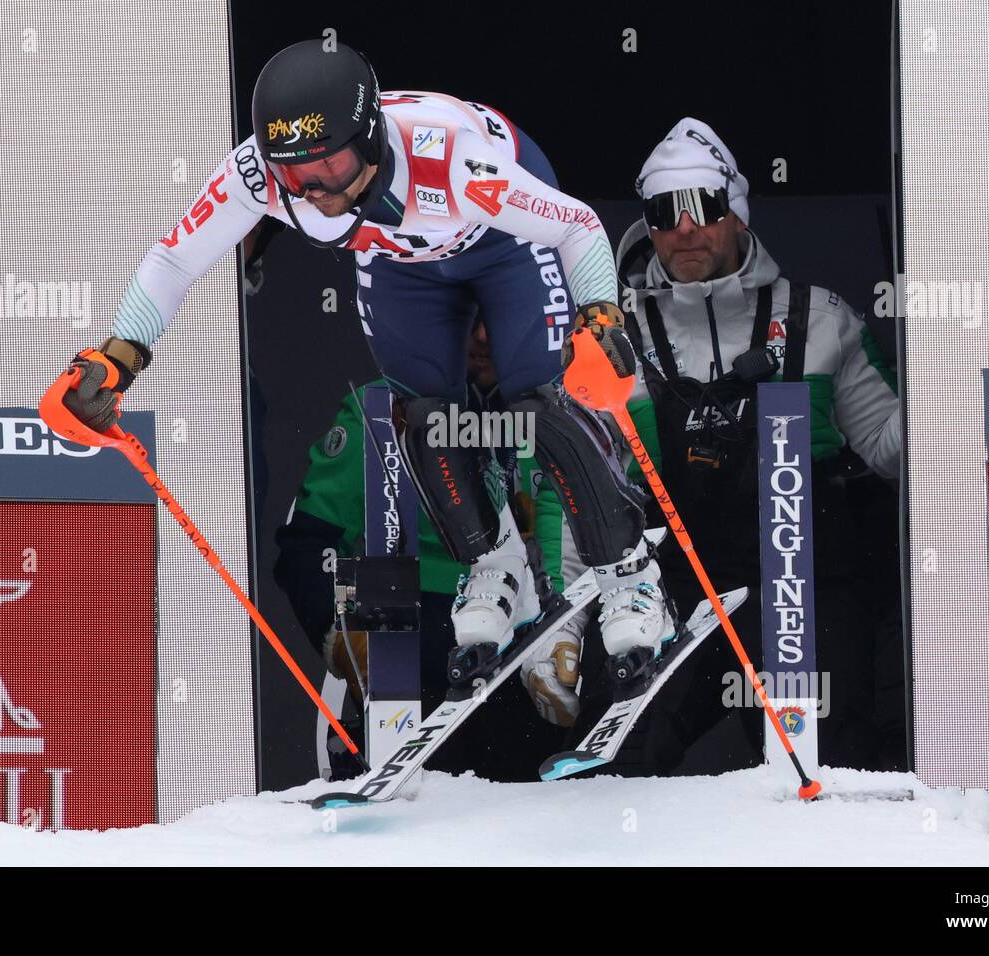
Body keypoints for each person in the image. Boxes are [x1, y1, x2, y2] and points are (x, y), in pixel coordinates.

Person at [47, 39, 662, 712]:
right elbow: (173, 261)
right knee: (424, 414)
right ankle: (493, 564)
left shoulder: (453, 161)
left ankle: (626, 572)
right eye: (294, 171)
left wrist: (601, 312)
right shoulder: (258, 174)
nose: (314, 187)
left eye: (330, 161)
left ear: (369, 139)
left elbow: (575, 225)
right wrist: (120, 353)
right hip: (399, 258)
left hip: (500, 241)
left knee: (539, 399)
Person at [606, 117, 903, 772]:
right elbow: (583, 491)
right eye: (664, 211)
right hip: (681, 593)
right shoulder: (616, 336)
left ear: (737, 213)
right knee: (621, 759)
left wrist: (950, 379)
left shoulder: (819, 317)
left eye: (704, 208)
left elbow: (891, 451)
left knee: (832, 757)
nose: (685, 228)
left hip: (811, 587)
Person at [274, 321, 585, 779]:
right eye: (467, 314)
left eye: (494, 313)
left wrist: (568, 629)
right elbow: (306, 545)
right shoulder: (381, 408)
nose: (481, 335)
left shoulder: (557, 408)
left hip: (522, 641)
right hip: (414, 638)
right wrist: (342, 634)